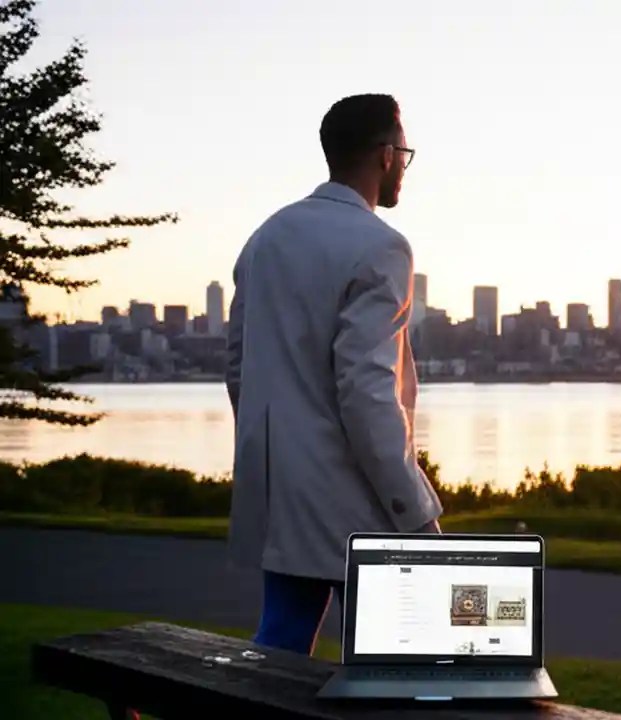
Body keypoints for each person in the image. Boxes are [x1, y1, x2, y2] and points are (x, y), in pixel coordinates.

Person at [224, 93, 442, 655]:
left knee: (282, 639)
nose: (403, 168)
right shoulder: (382, 247)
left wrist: (273, 453)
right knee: (397, 661)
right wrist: (412, 511)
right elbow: (367, 394)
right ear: (386, 155)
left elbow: (237, 368)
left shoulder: (266, 238)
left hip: (280, 488)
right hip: (353, 496)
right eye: (405, 153)